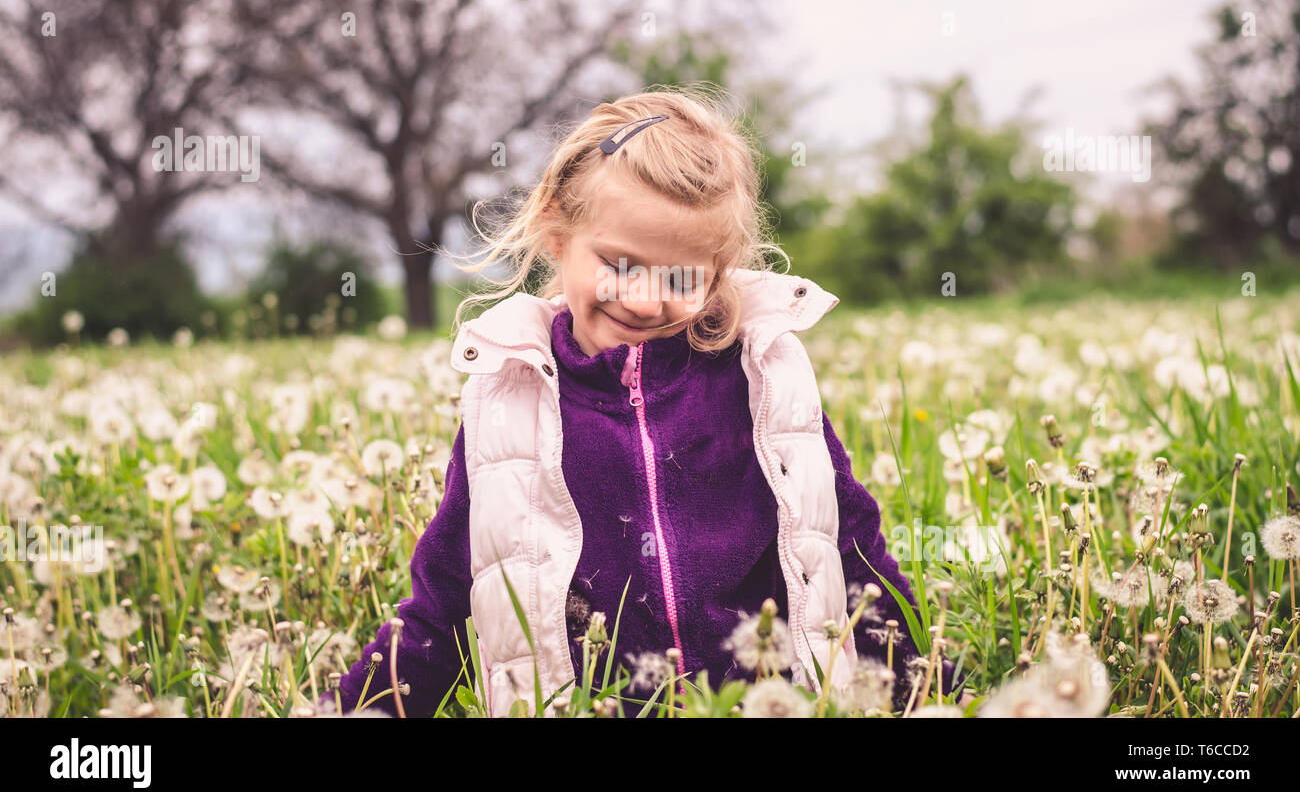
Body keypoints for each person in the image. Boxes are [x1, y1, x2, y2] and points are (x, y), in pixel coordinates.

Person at [324, 86, 966, 718]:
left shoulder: (759, 381)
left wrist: (932, 689)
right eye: (619, 263)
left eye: (682, 277)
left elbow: (845, 547)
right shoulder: (511, 400)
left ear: (719, 271)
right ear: (556, 232)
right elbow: (449, 594)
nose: (644, 299)